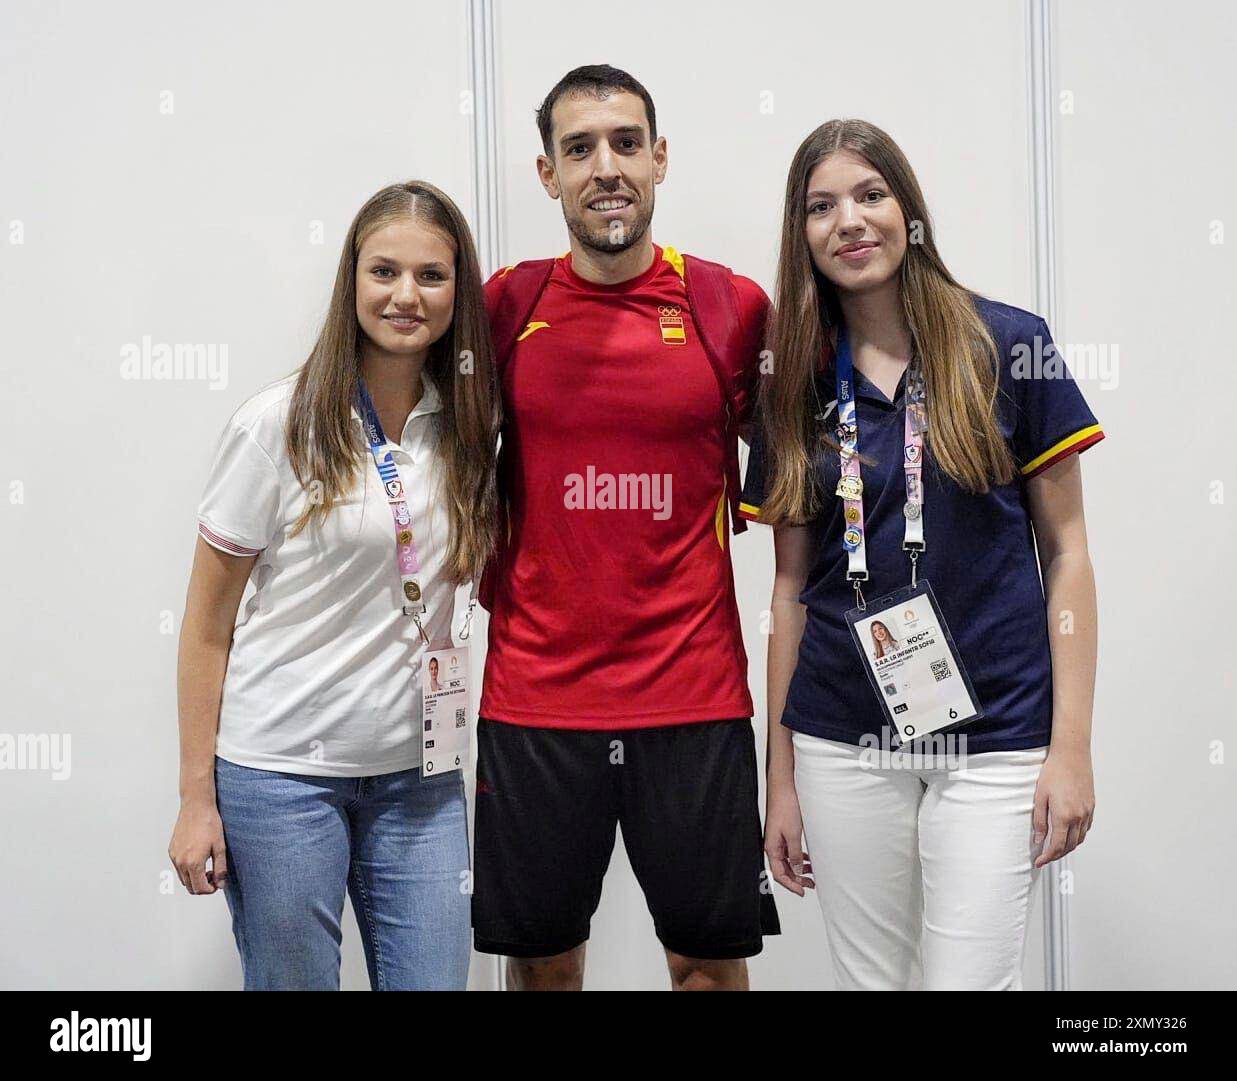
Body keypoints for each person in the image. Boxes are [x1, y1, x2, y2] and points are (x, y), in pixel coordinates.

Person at [745, 119, 1102, 991]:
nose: (849, 222)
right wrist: (779, 778)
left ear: (908, 211)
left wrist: (1072, 749)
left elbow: (1067, 556)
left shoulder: (1005, 343)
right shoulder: (791, 375)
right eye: (820, 206)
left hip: (995, 733)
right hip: (839, 735)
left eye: (870, 195)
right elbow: (788, 592)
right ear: (801, 234)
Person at [471, 64, 780, 991]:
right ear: (546, 173)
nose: (605, 166)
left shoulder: (730, 306)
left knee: (706, 968)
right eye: (579, 148)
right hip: (535, 699)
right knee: (545, 968)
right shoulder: (506, 305)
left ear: (658, 158)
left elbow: (824, 470)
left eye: (624, 143)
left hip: (694, 698)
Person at [168, 180, 499, 990]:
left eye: (431, 275)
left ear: (458, 291)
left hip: (420, 784)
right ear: (351, 280)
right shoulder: (278, 424)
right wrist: (193, 798)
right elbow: (207, 626)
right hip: (281, 780)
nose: (405, 296)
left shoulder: (469, 426)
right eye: (384, 271)